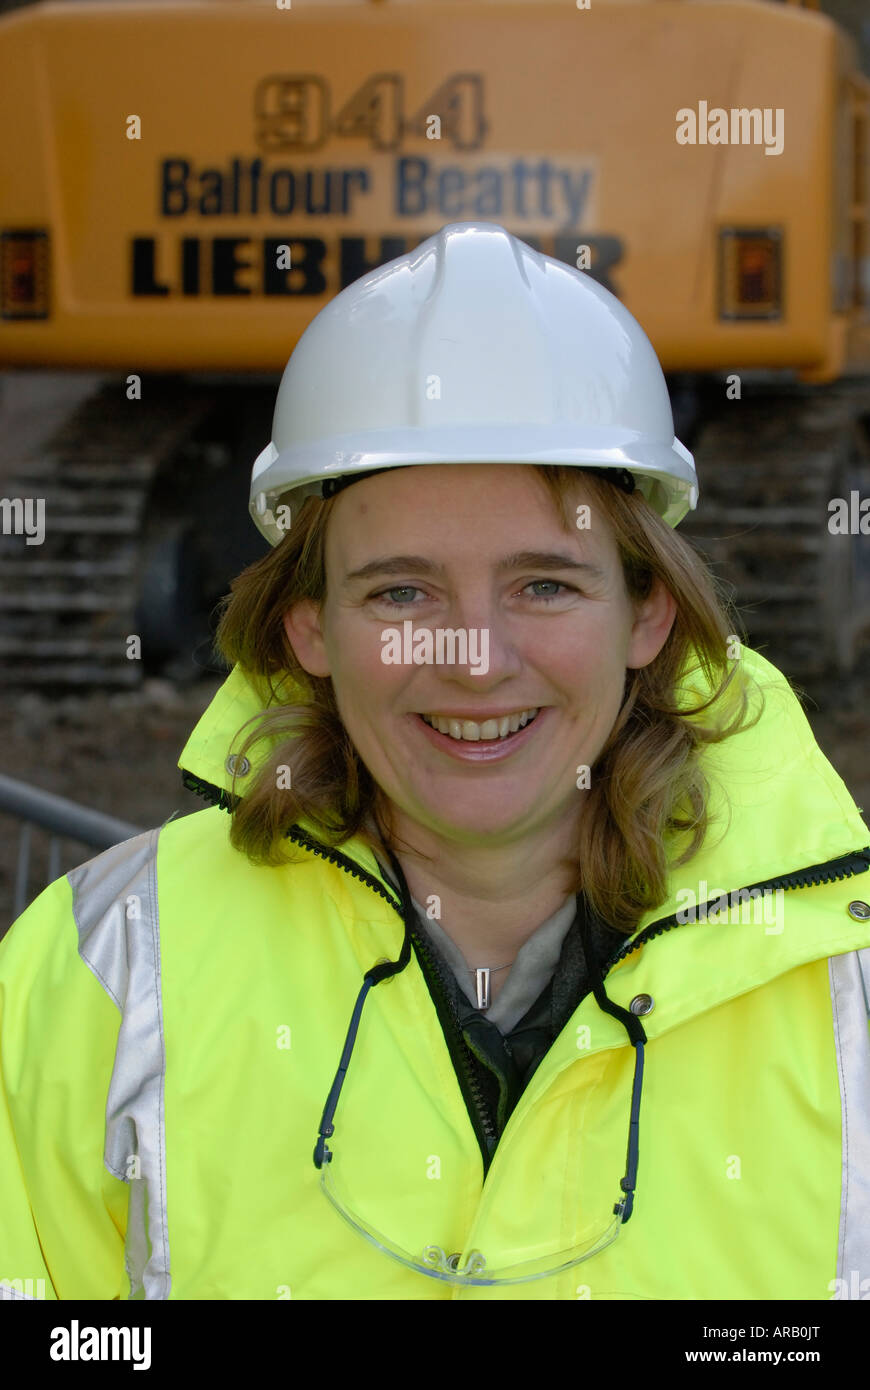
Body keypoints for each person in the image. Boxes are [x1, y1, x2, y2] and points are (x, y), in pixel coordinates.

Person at [1, 222, 868, 1303]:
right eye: (401, 591)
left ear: (647, 613)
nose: (474, 660)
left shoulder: (848, 984)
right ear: (309, 627)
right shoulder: (97, 978)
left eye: (545, 585)